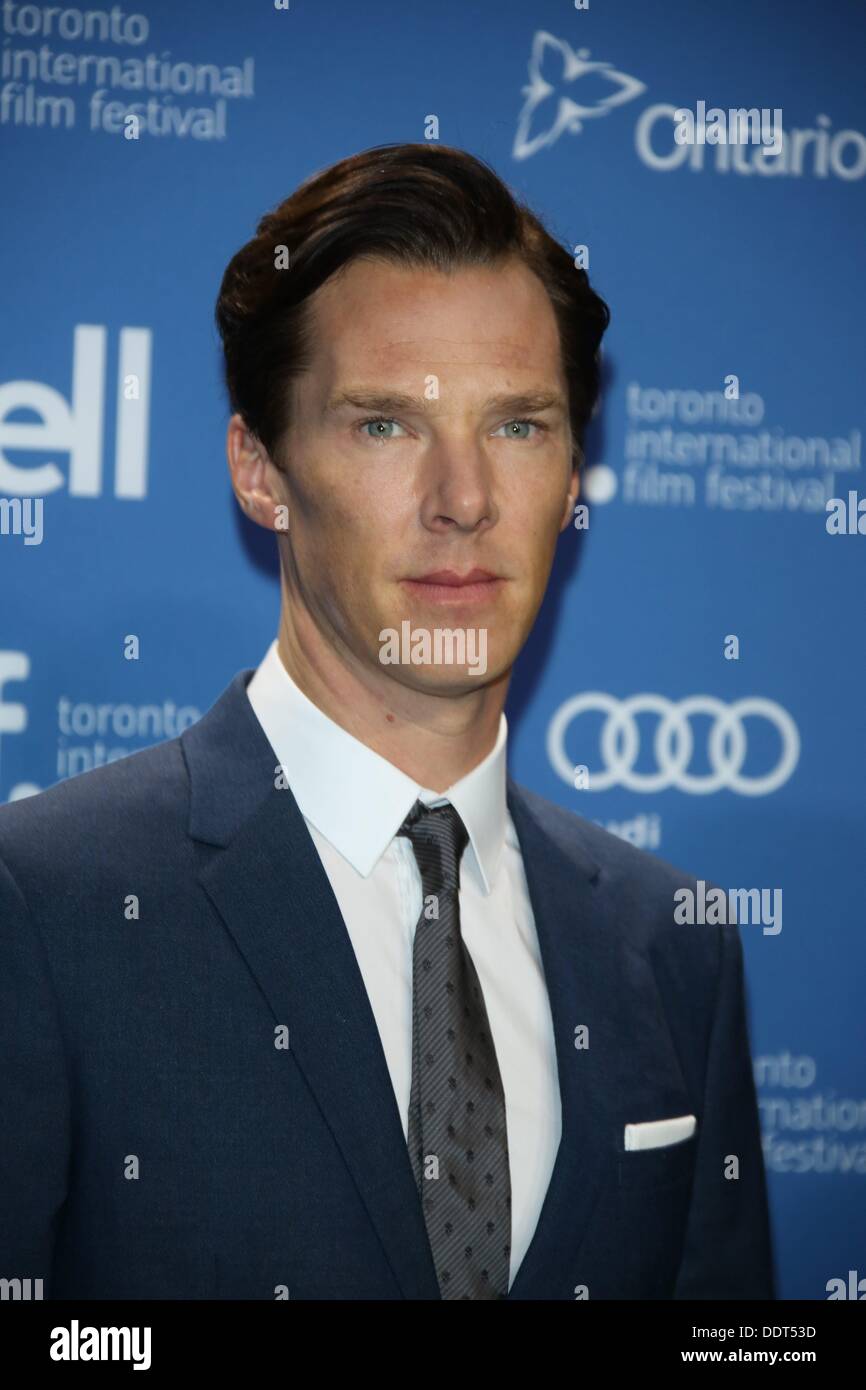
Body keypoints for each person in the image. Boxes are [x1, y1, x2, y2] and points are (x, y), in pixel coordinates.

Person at [0, 143, 773, 1300]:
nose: (462, 499)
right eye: (384, 426)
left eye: (515, 425)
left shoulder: (673, 946)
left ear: (573, 480)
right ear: (259, 471)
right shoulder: (47, 904)